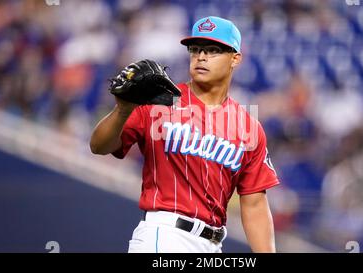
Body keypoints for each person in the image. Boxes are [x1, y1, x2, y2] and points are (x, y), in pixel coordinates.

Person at [90, 16, 279, 253]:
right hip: (165, 234)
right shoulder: (159, 101)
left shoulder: (248, 126)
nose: (201, 56)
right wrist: (122, 110)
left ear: (235, 59)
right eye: (196, 49)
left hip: (213, 244)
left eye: (213, 50)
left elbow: (254, 204)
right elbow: (98, 146)